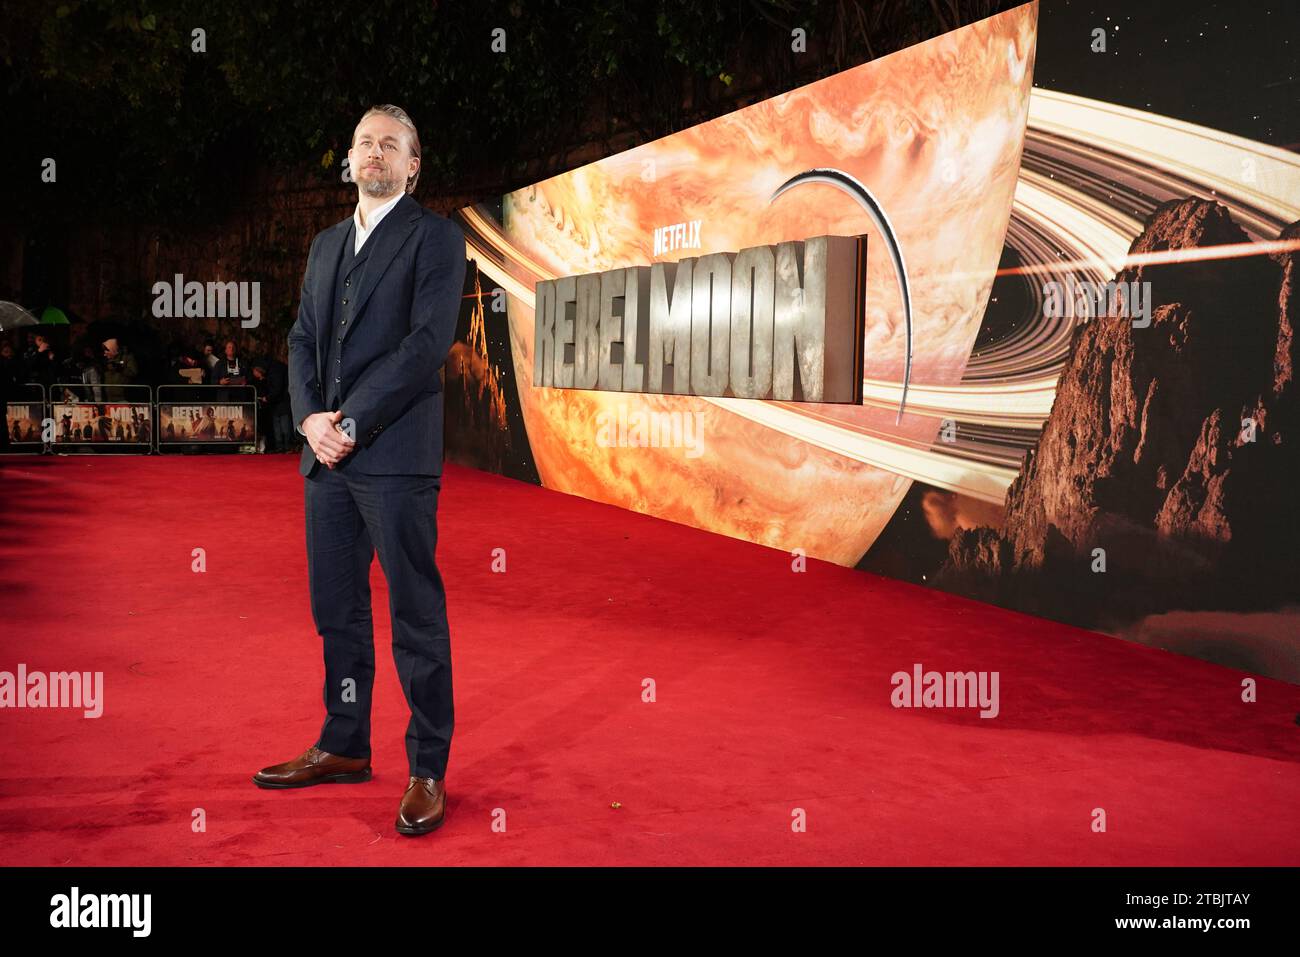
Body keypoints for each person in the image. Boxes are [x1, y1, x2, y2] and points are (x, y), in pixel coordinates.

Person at [253, 104, 466, 838]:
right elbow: (303, 338)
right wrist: (311, 417)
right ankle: (345, 743)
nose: (373, 154)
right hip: (328, 458)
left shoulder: (437, 239)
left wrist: (347, 421)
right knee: (335, 610)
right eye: (363, 144)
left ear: (414, 165)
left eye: (390, 145)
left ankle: (428, 768)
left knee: (415, 614)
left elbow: (425, 345)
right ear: (349, 161)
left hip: (396, 456)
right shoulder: (323, 246)